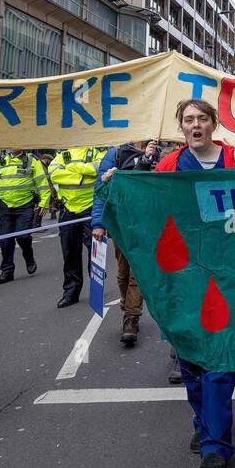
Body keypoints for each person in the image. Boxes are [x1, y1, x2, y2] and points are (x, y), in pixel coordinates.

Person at [155, 99, 235, 468]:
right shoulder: (169, 166)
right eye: (188, 120)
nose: (195, 125)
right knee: (191, 358)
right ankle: (203, 421)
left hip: (228, 272)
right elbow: (150, 207)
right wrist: (115, 185)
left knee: (218, 356)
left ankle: (216, 446)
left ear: (213, 123)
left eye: (202, 119)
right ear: (181, 127)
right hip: (185, 275)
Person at [91, 139, 160, 348]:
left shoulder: (159, 153)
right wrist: (98, 223)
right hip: (120, 222)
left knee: (136, 273)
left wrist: (151, 160)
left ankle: (131, 318)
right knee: (123, 272)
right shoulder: (116, 153)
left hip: (146, 224)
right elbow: (100, 188)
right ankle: (126, 304)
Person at [48, 145, 107, 309]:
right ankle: (71, 292)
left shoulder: (98, 152)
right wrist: (82, 175)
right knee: (69, 252)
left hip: (91, 209)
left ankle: (97, 289)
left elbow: (97, 169)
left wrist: (70, 168)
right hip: (68, 210)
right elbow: (53, 173)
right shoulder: (62, 152)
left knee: (94, 251)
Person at [0, 149, 50, 285]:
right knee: (5, 240)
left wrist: (44, 203)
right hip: (5, 207)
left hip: (25, 206)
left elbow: (42, 182)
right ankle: (7, 271)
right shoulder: (1, 162)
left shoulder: (32, 161)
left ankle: (28, 256)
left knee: (23, 236)